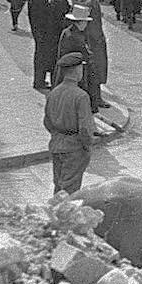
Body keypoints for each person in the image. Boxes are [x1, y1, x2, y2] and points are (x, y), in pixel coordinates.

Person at [43, 52, 95, 195]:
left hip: (56, 145)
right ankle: (63, 216)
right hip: (74, 148)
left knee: (58, 186)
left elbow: (47, 121)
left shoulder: (54, 92)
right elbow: (85, 129)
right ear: (78, 70)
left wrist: (58, 135)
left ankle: (55, 214)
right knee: (70, 191)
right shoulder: (81, 96)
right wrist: (87, 146)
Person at [27, 0, 58, 91]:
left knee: (41, 56)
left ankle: (39, 80)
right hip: (42, 31)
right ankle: (39, 81)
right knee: (42, 57)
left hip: (37, 30)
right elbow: (43, 17)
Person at [84, 0, 110, 108]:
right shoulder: (88, 3)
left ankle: (97, 97)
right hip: (93, 42)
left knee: (99, 69)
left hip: (97, 40)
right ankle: (96, 98)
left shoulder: (95, 3)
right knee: (95, 70)